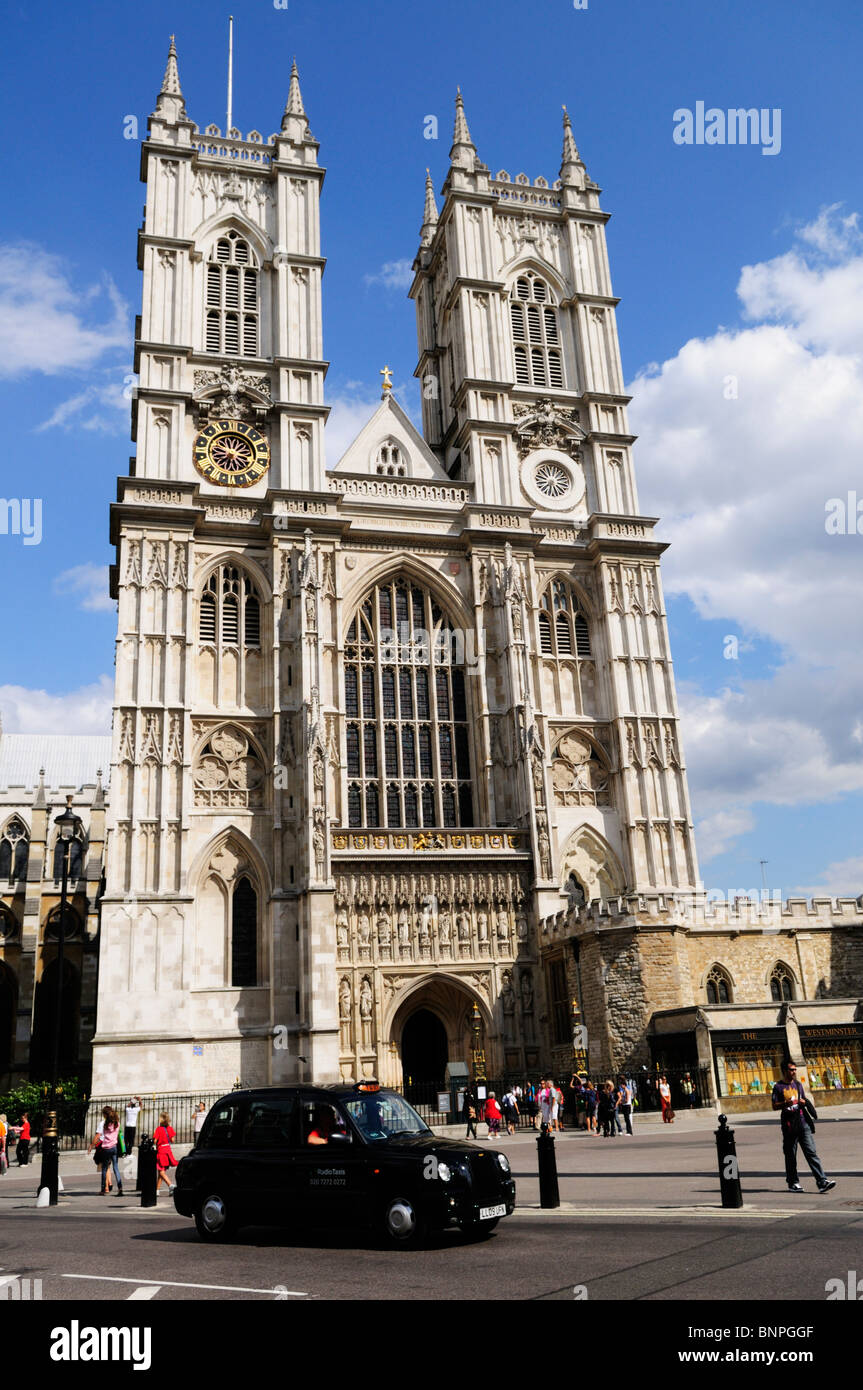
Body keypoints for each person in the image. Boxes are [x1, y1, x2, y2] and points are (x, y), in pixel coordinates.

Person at [771, 1061, 836, 1194]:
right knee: (791, 1155)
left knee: (811, 1152)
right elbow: (774, 1105)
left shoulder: (798, 1085)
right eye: (791, 1070)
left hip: (802, 1123)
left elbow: (804, 1100)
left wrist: (803, 1102)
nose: (794, 1072)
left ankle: (822, 1181)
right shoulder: (778, 1087)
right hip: (789, 1126)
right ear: (784, 1071)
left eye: (795, 1069)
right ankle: (793, 1183)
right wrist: (785, 1103)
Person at [96, 1107, 122, 1196]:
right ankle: (120, 1187)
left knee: (104, 1169)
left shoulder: (105, 1124)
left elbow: (101, 1135)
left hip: (106, 1148)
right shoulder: (117, 1123)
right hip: (114, 1147)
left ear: (105, 1115)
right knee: (116, 1168)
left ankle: (103, 1189)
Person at [154, 1111, 177, 1193]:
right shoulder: (170, 1129)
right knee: (161, 1171)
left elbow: (155, 1141)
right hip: (168, 1150)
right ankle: (157, 1190)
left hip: (161, 1151)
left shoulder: (158, 1129)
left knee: (161, 1171)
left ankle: (170, 1185)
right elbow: (172, 1140)